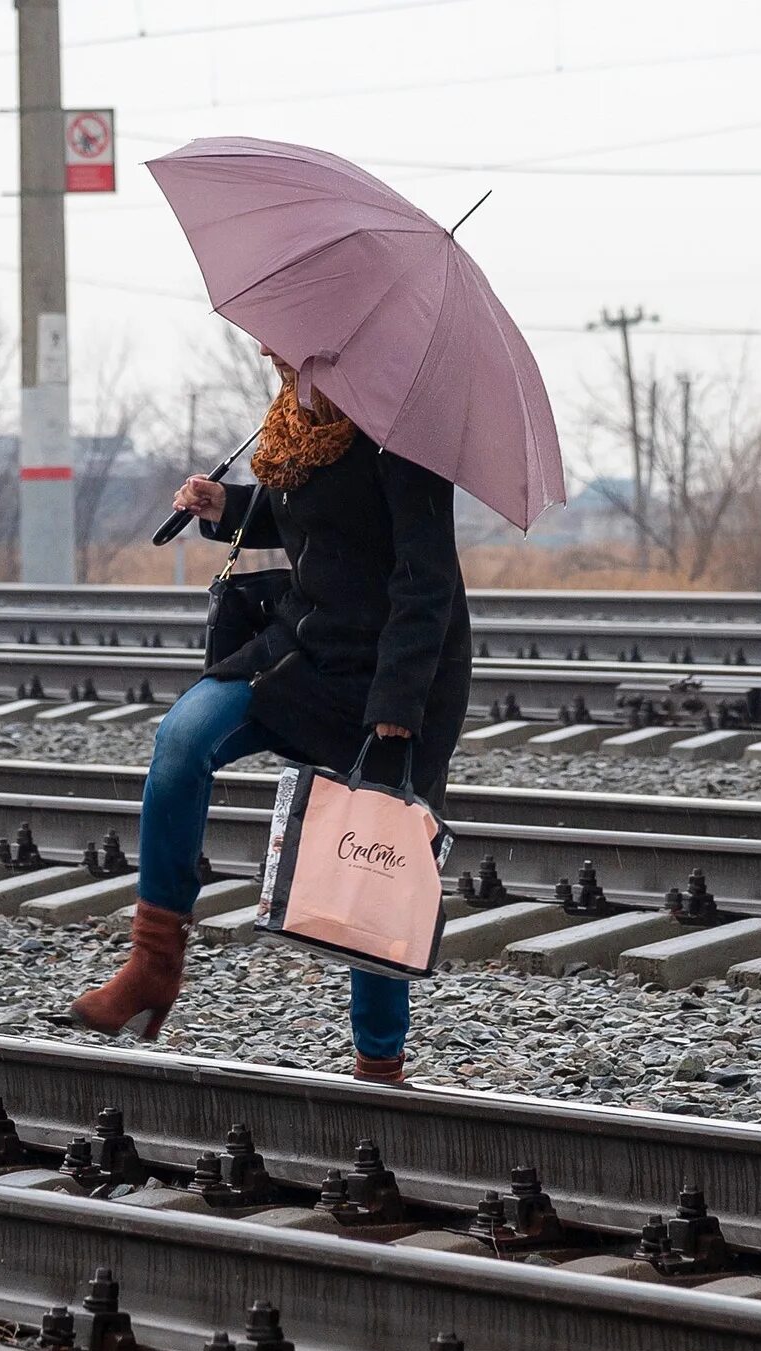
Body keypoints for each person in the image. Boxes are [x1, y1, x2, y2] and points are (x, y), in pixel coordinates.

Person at [67, 344, 472, 1084]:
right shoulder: (297, 419)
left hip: (392, 668)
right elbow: (317, 524)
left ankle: (380, 1063)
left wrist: (396, 704)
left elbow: (427, 575)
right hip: (305, 647)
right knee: (183, 737)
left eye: (278, 335)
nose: (261, 345)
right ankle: (154, 963)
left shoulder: (405, 426)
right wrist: (228, 509)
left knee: (374, 855)